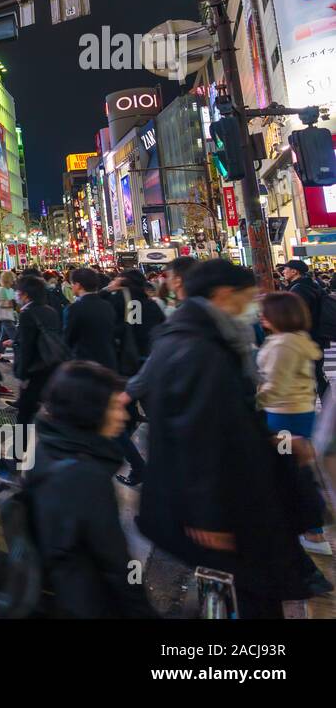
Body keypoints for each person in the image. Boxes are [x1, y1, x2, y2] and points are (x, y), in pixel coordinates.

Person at [137, 259, 330, 618]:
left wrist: (271, 441)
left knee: (250, 587)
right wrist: (208, 516)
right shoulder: (201, 349)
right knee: (252, 590)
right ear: (224, 295)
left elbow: (219, 420)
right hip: (225, 501)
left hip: (224, 493)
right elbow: (196, 435)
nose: (253, 306)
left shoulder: (187, 337)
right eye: (248, 296)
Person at [28, 361, 157, 617]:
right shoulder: (86, 476)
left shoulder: (49, 445)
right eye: (113, 406)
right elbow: (117, 563)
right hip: (82, 602)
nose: (123, 415)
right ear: (90, 411)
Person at [256, 291, 330, 556]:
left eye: (264, 311)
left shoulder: (283, 344)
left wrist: (250, 402)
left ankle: (313, 528)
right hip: (297, 411)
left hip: (283, 415)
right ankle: (311, 525)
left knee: (291, 471)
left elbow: (276, 386)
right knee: (293, 469)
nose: (260, 315)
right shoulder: (297, 339)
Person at [13, 274, 64, 428]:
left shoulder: (27, 313)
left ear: (26, 294)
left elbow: (26, 347)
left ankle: (18, 450)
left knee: (24, 414)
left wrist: (22, 375)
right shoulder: (50, 310)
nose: (16, 295)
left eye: (18, 292)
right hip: (51, 365)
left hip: (34, 370)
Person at [282, 259, 330, 399]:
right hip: (315, 336)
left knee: (312, 374)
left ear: (295, 271)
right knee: (316, 373)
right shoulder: (311, 285)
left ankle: (322, 409)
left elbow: (297, 315)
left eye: (286, 269)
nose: (283, 272)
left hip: (306, 337)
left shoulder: (299, 289)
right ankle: (325, 407)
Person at [63, 268, 118, 369]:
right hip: (108, 362)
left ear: (78, 285)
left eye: (72, 284)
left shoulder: (74, 308)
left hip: (85, 365)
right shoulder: (107, 305)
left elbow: (68, 338)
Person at [0, 270, 18, 360]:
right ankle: (19, 353)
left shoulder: (10, 290)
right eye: (12, 278)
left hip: (10, 315)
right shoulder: (1, 290)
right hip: (5, 316)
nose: (14, 280)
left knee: (4, 336)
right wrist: (10, 303)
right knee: (15, 336)